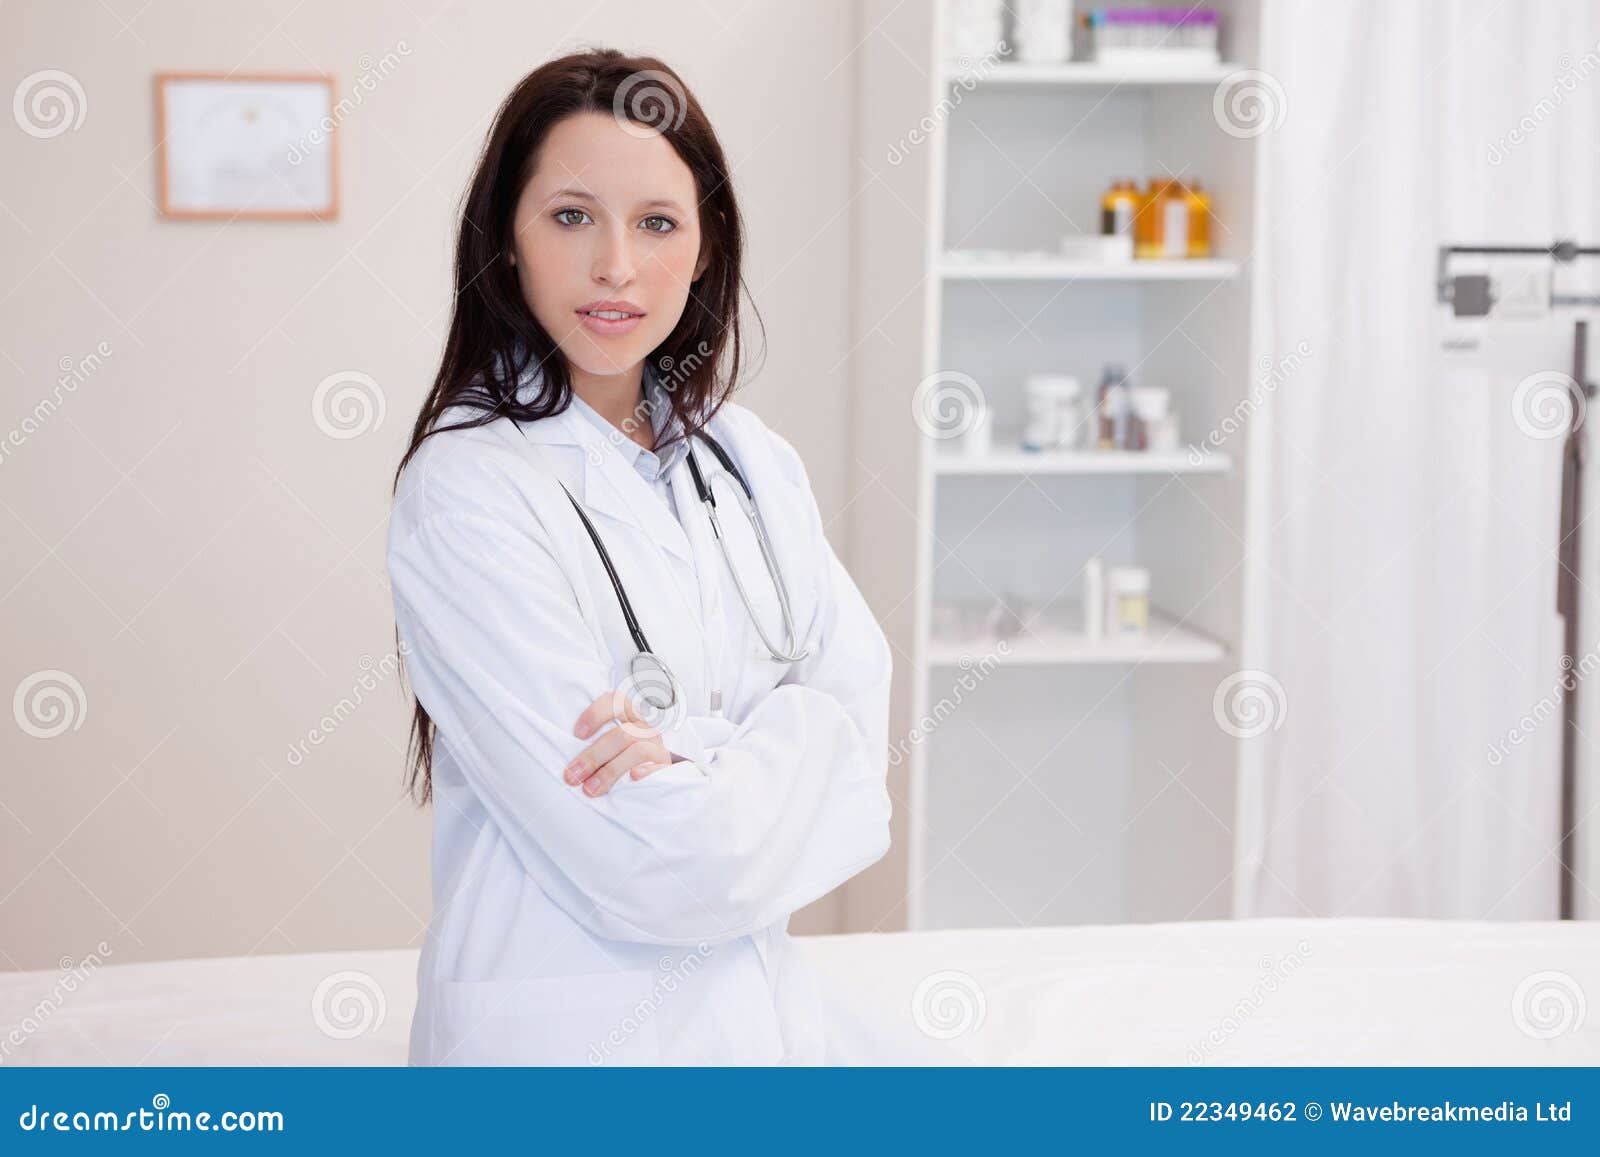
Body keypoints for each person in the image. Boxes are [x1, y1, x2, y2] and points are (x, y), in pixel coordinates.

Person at [385, 48, 894, 1065]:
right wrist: (766, 748)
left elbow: (866, 735)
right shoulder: (466, 486)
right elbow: (659, 862)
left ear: (705, 248)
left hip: (758, 1030)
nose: (615, 263)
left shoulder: (751, 461)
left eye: (657, 221)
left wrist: (681, 754)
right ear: (508, 239)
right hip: (557, 1053)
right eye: (571, 216)